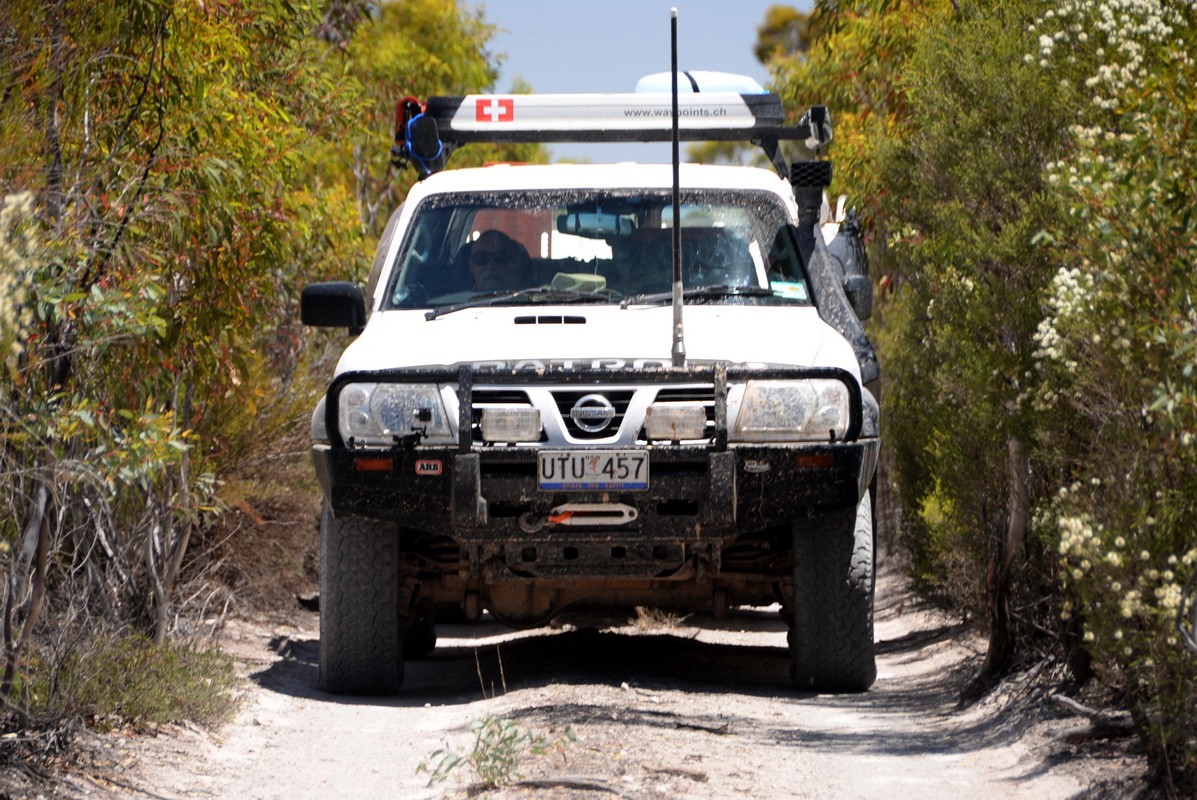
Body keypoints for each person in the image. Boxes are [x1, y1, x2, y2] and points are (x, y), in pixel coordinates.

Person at [463, 230, 531, 292]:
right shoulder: (456, 302)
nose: (491, 265)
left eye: (502, 256)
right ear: (471, 266)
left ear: (516, 262)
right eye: (481, 258)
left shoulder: (534, 301)